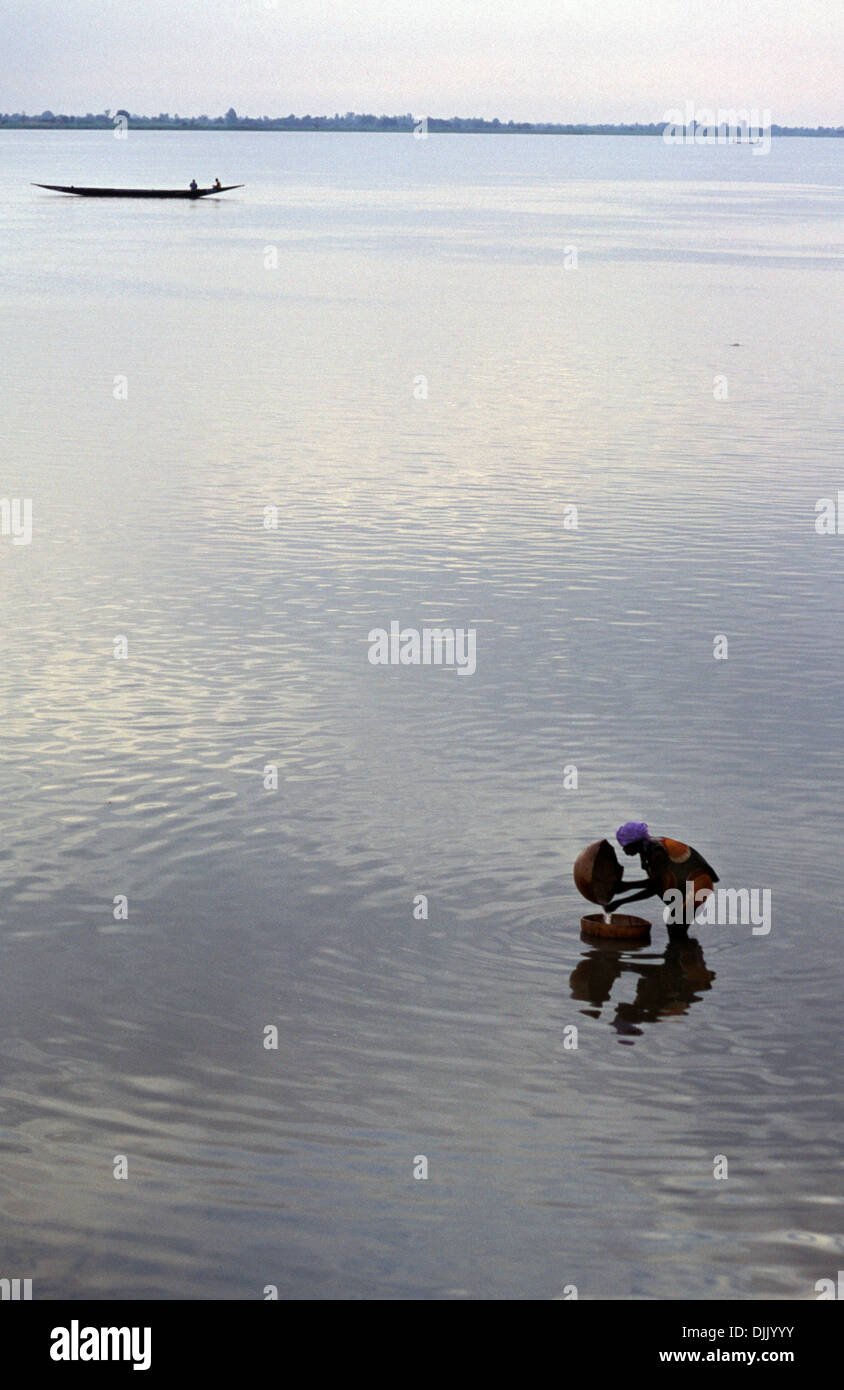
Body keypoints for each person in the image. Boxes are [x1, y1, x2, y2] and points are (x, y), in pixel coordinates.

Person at [606, 822, 719, 928]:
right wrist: (624, 888)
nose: (624, 849)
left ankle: (683, 945)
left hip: (698, 886)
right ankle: (686, 947)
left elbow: (655, 886)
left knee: (676, 926)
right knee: (674, 924)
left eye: (626, 845)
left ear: (637, 842)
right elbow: (655, 884)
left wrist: (622, 898)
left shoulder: (657, 853)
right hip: (682, 884)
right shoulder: (645, 849)